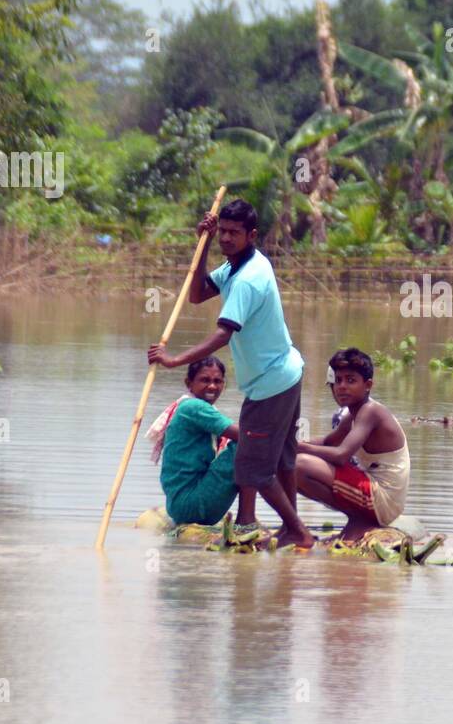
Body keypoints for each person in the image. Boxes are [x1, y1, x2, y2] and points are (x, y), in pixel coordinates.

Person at [147, 200, 313, 549]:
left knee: (253, 467)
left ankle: (295, 530)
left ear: (251, 235)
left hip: (270, 382)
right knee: (283, 458)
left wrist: (175, 360)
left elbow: (223, 334)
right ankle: (289, 528)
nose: (226, 238)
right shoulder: (236, 266)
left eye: (233, 233)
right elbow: (196, 296)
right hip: (283, 372)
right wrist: (204, 241)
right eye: (222, 231)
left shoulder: (249, 280)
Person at [296, 348, 410, 542]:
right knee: (292, 464)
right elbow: (328, 442)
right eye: (338, 380)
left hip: (383, 500)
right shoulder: (353, 413)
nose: (342, 386)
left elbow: (341, 454)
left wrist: (297, 448)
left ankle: (361, 521)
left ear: (368, 385)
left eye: (350, 380)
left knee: (299, 464)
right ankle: (356, 520)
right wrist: (291, 442)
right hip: (374, 492)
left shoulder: (371, 411)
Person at [152, 357, 241, 526]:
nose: (212, 386)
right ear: (189, 383)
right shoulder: (193, 407)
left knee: (250, 442)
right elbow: (247, 437)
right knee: (244, 447)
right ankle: (246, 518)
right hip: (190, 504)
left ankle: (247, 515)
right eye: (205, 380)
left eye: (218, 381)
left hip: (182, 505)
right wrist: (293, 444)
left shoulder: (192, 406)